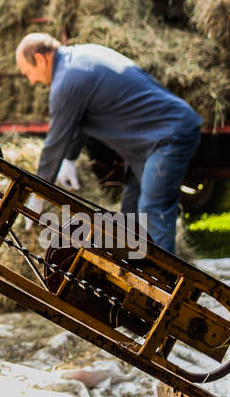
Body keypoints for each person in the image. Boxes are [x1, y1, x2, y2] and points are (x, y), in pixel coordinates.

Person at [14, 33, 202, 254]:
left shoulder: (66, 81)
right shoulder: (82, 57)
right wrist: (70, 158)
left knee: (152, 210)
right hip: (151, 140)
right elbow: (78, 120)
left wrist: (38, 194)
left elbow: (55, 142)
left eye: (29, 72)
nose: (32, 80)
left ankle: (168, 284)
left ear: (40, 58)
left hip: (167, 136)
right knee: (130, 213)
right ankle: (136, 275)